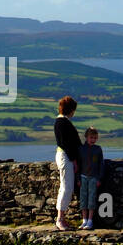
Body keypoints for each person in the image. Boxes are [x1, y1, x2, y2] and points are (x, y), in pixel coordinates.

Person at [54, 96, 81, 230]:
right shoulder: (62, 123)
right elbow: (65, 144)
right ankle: (60, 219)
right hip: (66, 157)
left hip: (66, 156)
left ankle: (61, 218)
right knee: (66, 187)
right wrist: (74, 159)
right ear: (70, 110)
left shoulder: (62, 122)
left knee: (65, 186)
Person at [77, 126, 105, 230]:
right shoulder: (81, 149)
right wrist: (78, 179)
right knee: (83, 198)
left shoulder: (98, 149)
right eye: (91, 138)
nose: (93, 140)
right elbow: (78, 165)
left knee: (92, 198)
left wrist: (99, 178)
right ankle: (84, 220)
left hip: (94, 178)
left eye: (95, 138)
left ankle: (90, 220)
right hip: (83, 177)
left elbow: (101, 164)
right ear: (86, 137)